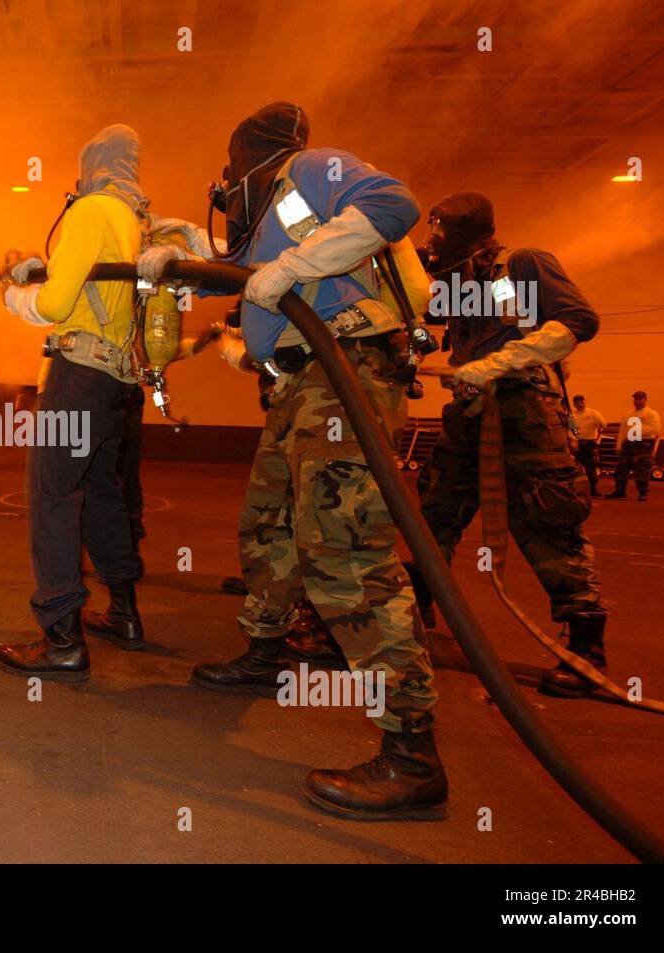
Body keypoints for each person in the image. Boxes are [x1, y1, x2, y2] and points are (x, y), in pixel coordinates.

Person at [140, 102, 445, 820]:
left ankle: (412, 754)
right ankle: (264, 650)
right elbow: (243, 275)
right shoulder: (272, 220)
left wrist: (289, 269)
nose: (223, 183)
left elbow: (393, 202)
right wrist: (176, 251)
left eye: (228, 168)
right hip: (300, 383)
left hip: (345, 371)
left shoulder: (310, 170)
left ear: (252, 157)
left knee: (341, 550)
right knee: (269, 524)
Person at [412, 191, 609, 698]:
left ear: (475, 230)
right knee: (436, 507)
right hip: (469, 408)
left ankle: (586, 651)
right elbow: (423, 315)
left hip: (523, 403)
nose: (432, 239)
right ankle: (417, 606)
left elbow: (579, 321)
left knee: (545, 518)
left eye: (439, 229)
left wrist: (495, 363)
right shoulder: (453, 282)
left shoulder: (521, 263)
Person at [0, 124, 148, 679]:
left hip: (77, 374)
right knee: (103, 494)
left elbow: (59, 302)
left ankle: (61, 639)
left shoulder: (90, 211)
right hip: (117, 382)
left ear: (90, 167)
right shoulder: (136, 221)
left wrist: (14, 295)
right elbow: (93, 285)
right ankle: (125, 613)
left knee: (54, 496)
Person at [609, 390, 660, 502]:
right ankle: (620, 491)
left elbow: (655, 429)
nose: (637, 401)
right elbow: (622, 430)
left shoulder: (651, 414)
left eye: (640, 399)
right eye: (636, 399)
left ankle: (643, 493)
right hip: (628, 444)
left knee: (642, 470)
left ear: (645, 400)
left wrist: (636, 430)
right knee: (621, 469)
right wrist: (619, 446)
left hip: (643, 444)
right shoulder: (628, 414)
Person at [571, 394, 607, 496]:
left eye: (582, 401)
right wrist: (574, 442)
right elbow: (571, 431)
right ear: (574, 404)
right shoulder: (572, 415)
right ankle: (579, 489)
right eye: (577, 402)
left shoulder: (593, 413)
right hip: (578, 444)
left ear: (585, 402)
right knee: (578, 467)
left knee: (591, 467)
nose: (580, 404)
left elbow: (603, 424)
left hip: (590, 443)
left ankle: (593, 489)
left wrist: (599, 429)